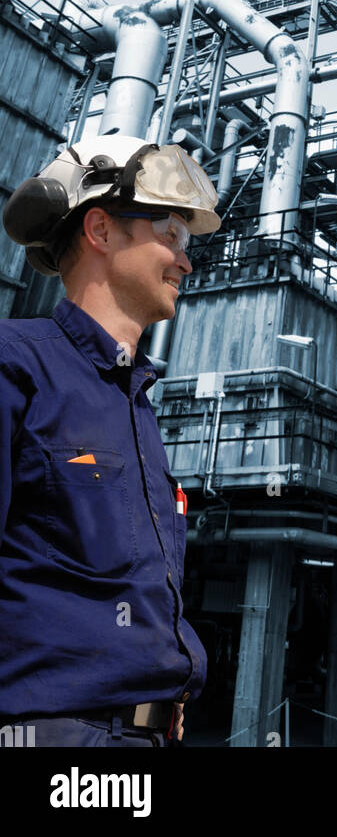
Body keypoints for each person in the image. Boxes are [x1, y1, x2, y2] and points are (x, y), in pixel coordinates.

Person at [0, 135, 220, 747]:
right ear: (100, 229)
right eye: (170, 236)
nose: (186, 262)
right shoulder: (16, 366)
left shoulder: (134, 403)